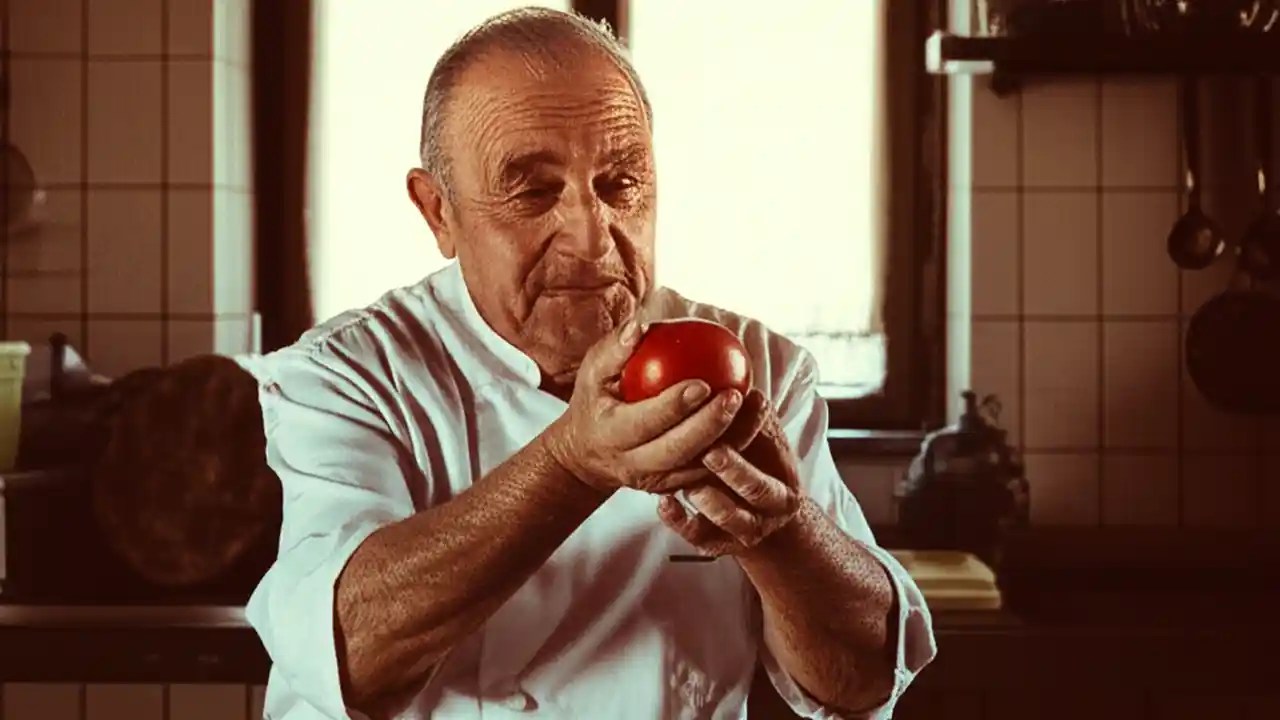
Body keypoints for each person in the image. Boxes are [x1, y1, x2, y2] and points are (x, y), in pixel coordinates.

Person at [247, 7, 936, 719]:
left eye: (620, 183)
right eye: (534, 190)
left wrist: (783, 535)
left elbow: (860, 682)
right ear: (438, 213)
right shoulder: (344, 377)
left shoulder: (750, 369)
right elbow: (353, 659)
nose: (591, 232)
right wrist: (575, 462)